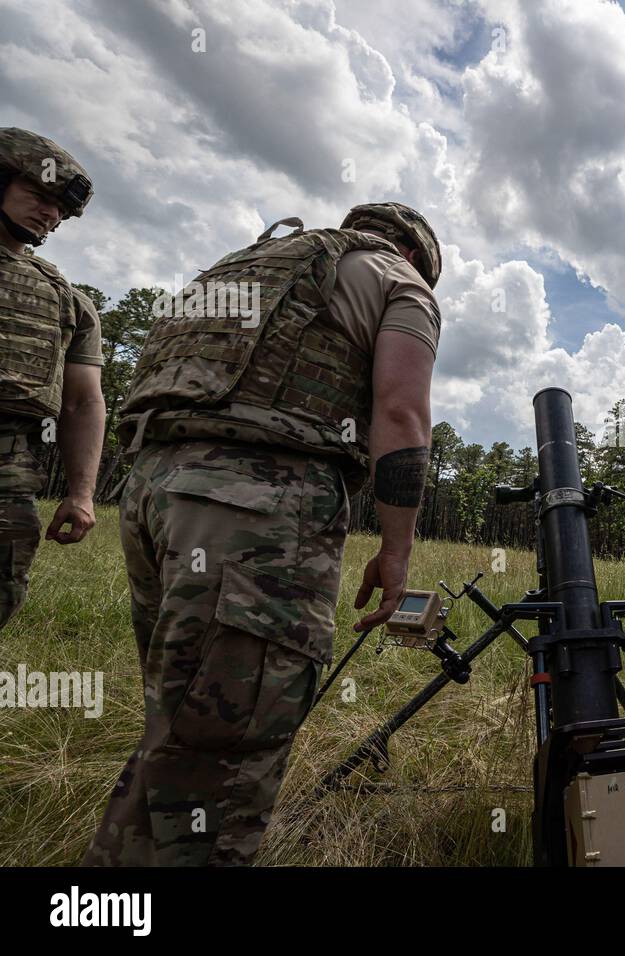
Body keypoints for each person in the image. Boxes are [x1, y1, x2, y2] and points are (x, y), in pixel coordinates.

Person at [84, 202, 443, 865]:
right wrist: (396, 551)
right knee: (227, 757)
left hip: (152, 493)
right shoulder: (399, 280)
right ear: (420, 257)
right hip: (255, 513)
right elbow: (400, 412)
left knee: (182, 728)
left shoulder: (255, 264)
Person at [0, 128, 104, 631]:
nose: (50, 214)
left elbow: (84, 403)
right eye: (38, 196)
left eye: (59, 208)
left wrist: (82, 492)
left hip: (10, 471)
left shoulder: (68, 300)